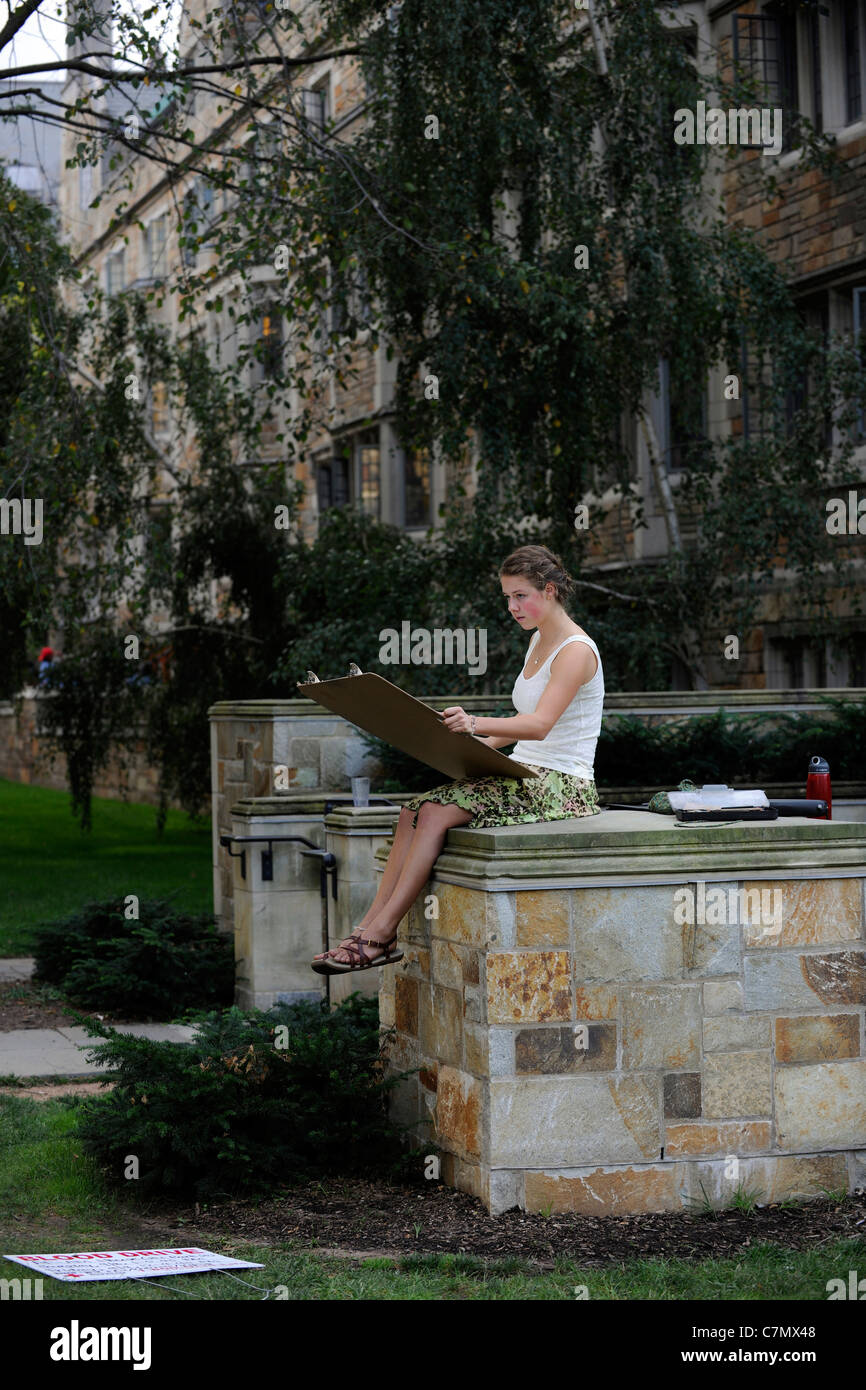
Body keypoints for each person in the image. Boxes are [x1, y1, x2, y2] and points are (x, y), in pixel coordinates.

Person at [311, 543, 604, 974]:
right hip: (527, 770)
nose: (512, 607)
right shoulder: (540, 640)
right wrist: (472, 749)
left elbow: (540, 725)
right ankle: (366, 928)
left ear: (550, 589)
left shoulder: (576, 650)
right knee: (411, 811)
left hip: (566, 785)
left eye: (520, 596)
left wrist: (474, 724)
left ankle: (382, 933)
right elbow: (525, 726)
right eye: (507, 597)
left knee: (432, 813)